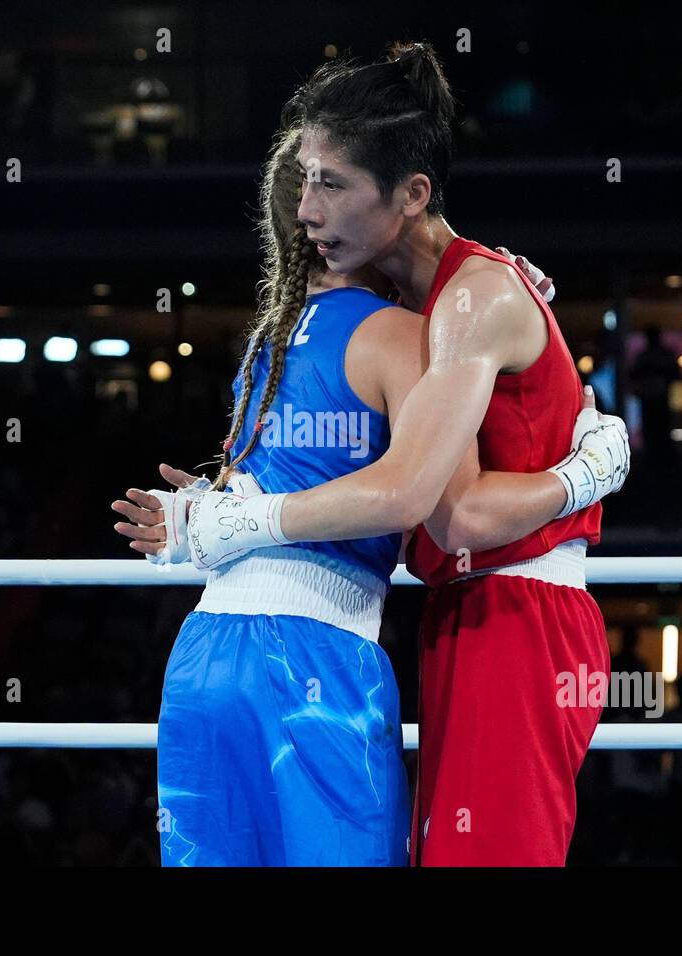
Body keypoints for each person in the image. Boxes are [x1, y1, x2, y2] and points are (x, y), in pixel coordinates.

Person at [146, 42, 628, 865]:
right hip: (460, 614)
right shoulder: (418, 304)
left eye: (333, 184)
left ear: (411, 195)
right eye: (306, 179)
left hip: (520, 613)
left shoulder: (469, 299)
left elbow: (456, 509)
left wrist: (590, 473)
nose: (307, 210)